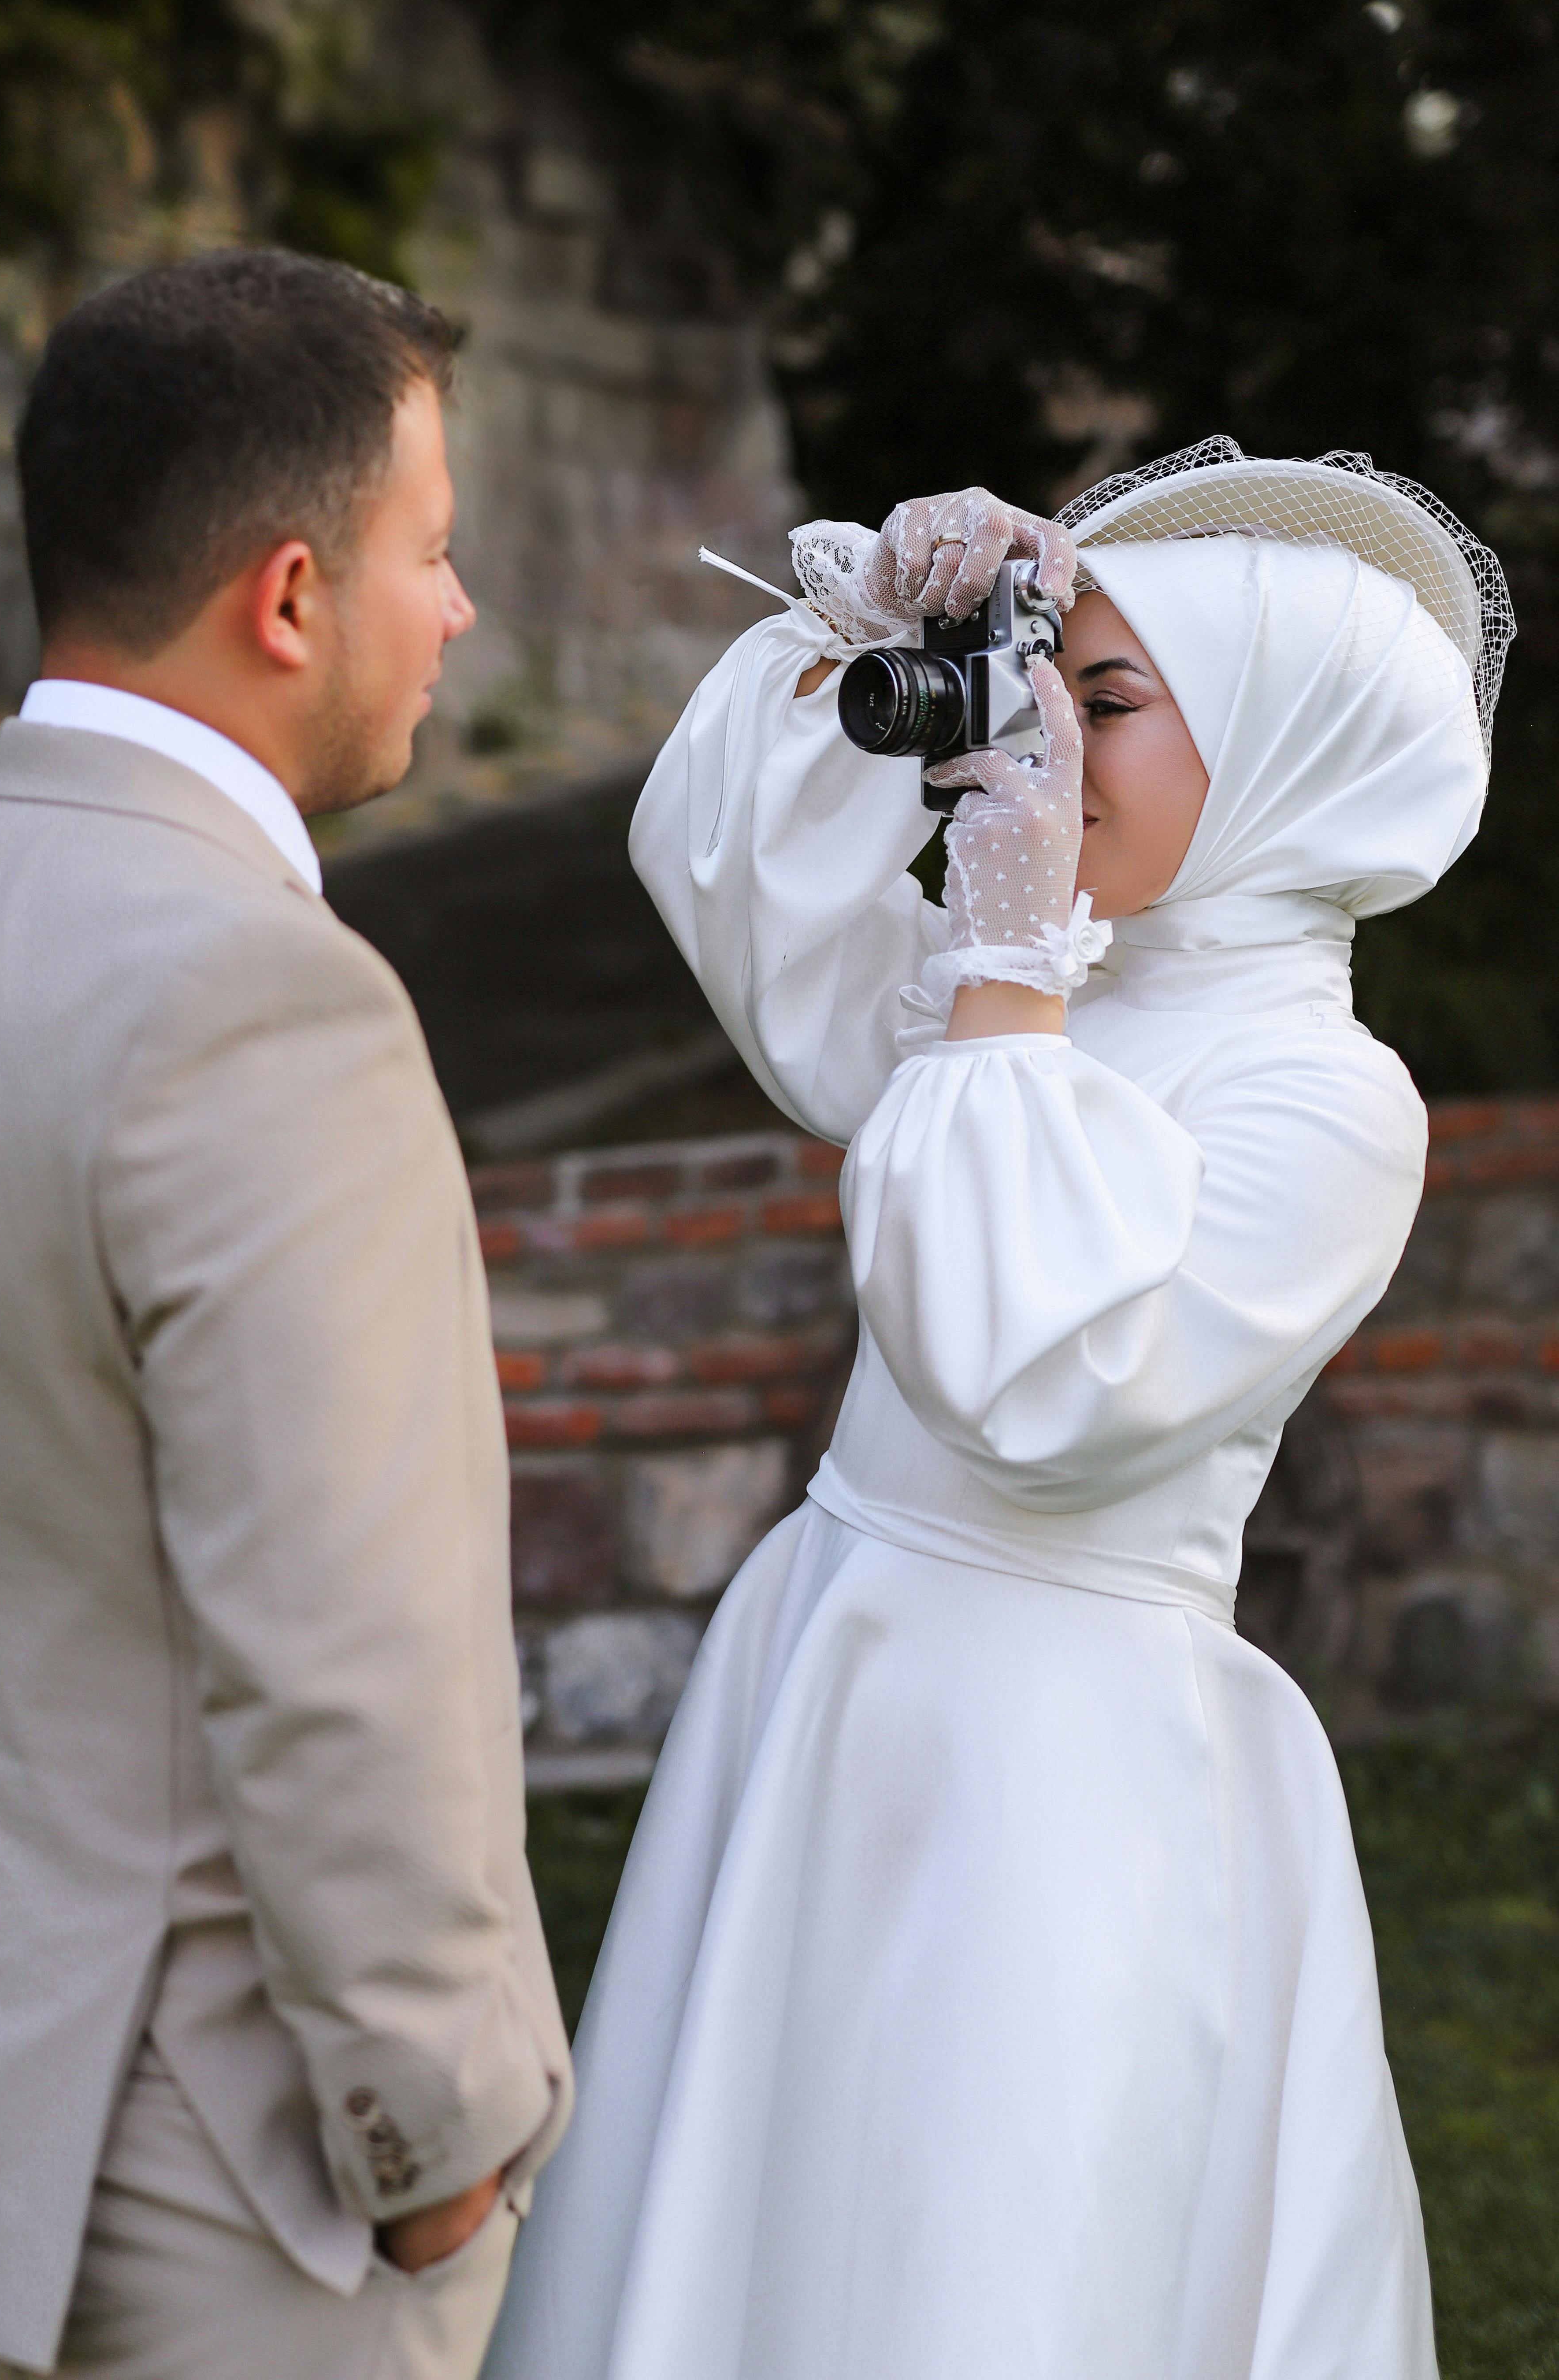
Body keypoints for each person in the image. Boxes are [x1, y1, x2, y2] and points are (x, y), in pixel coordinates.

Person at [483, 439, 1509, 2380]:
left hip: (1053, 1760)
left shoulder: (1322, 1091)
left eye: (1104, 702)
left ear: (1278, 743)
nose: (1038, 743)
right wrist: (862, 631)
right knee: (753, 2228)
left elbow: (1026, 1377)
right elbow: (737, 894)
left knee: (966, 2249)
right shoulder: (1044, 970)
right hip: (842, 1660)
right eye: (1048, 687)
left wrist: (1008, 971)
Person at [0, 249, 572, 2380]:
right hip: (218, 2154)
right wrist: (437, 2137)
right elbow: (338, 1650)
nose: (453, 615)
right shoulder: (261, 995)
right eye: (433, 554)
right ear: (289, 598)